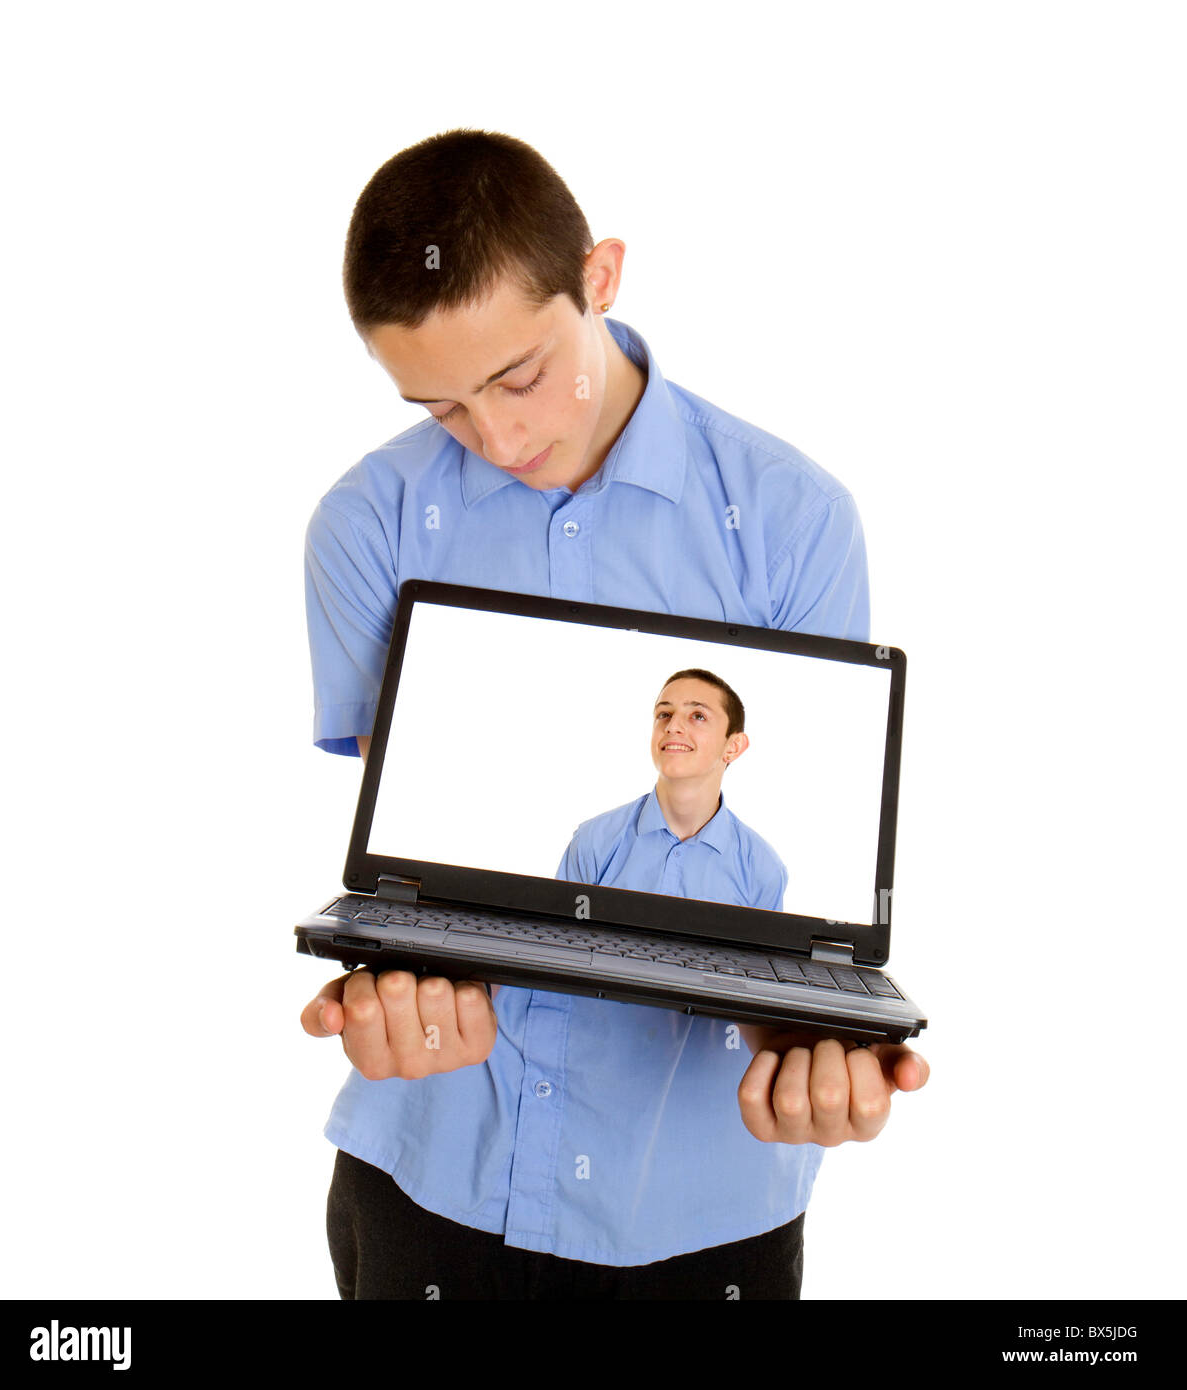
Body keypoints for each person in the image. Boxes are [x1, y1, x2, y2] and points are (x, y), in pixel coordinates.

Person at [301, 128, 929, 1300]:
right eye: (441, 407)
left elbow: (798, 912)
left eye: (518, 376)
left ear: (601, 277)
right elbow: (422, 861)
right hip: (435, 1180)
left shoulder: (792, 520)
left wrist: (799, 1035)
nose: (497, 439)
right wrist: (408, 981)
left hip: (697, 1213)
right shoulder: (364, 523)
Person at [557, 668, 789, 911]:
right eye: (664, 714)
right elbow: (560, 944)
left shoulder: (762, 870)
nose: (672, 726)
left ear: (733, 746)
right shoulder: (593, 842)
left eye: (698, 716)